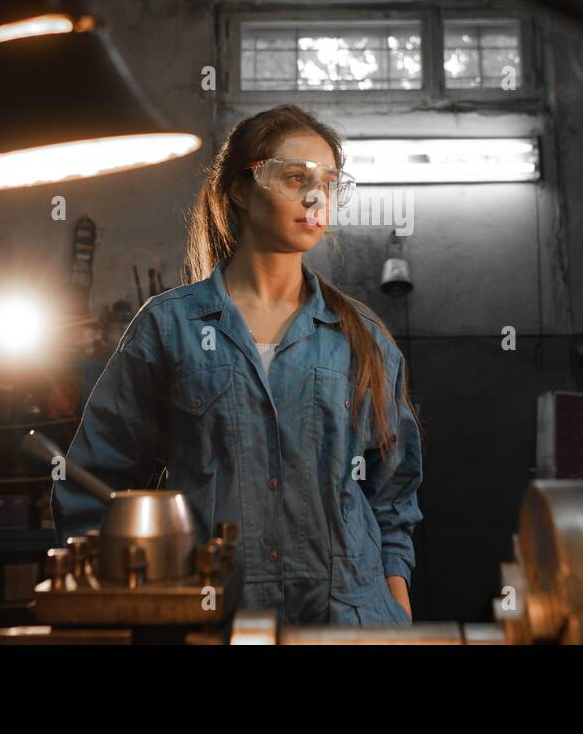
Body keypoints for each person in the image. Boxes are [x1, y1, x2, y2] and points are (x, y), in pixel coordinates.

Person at [52, 104, 424, 626]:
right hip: (210, 622)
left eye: (329, 183)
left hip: (346, 626)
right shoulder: (169, 328)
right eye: (295, 178)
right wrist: (124, 608)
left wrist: (396, 617)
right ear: (241, 190)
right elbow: (91, 481)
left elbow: (392, 502)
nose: (316, 197)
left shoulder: (361, 338)